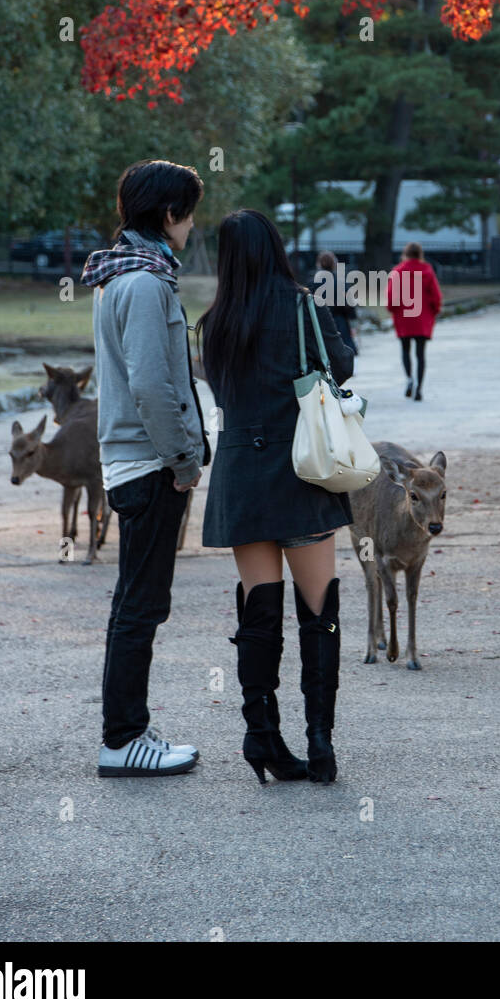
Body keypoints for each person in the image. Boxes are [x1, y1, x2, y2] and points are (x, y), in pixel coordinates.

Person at [198, 210, 355, 785]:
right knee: (320, 613)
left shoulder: (214, 321)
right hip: (303, 469)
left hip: (242, 475)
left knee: (258, 612)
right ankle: (321, 742)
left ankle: (261, 735)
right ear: (276, 248)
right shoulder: (302, 304)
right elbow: (341, 365)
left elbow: (221, 389)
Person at [81, 159, 209, 778]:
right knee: (140, 605)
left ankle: (127, 730)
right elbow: (153, 387)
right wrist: (184, 460)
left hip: (132, 463)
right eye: (189, 211)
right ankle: (123, 737)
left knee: (135, 602)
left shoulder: (121, 275)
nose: (192, 224)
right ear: (169, 215)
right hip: (149, 466)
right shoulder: (145, 282)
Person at [386, 241, 442, 401]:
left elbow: (391, 298)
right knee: (420, 354)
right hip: (422, 318)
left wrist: (392, 309)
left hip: (403, 318)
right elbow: (436, 296)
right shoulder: (427, 271)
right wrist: (434, 312)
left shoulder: (397, 272)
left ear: (406, 254)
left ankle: (409, 378)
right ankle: (419, 388)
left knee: (405, 350)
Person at [311, 250, 359, 355]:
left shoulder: (313, 283)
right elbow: (349, 304)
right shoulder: (340, 282)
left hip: (318, 323)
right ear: (334, 263)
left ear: (318, 264)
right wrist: (353, 323)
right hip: (339, 322)